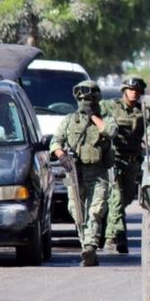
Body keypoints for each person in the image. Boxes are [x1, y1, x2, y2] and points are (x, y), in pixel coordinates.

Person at [50, 80, 117, 266]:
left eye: (88, 98)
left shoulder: (106, 118)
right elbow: (55, 141)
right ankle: (85, 248)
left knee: (95, 211)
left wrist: (93, 117)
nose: (84, 102)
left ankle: (90, 246)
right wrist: (61, 155)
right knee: (77, 211)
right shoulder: (70, 120)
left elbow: (111, 131)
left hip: (97, 173)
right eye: (81, 99)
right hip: (74, 173)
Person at [99, 76, 146, 254]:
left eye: (137, 90)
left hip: (133, 162)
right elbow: (93, 116)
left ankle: (114, 233)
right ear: (124, 91)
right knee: (116, 199)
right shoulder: (110, 107)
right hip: (114, 161)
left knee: (126, 199)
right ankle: (115, 238)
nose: (133, 92)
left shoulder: (143, 111)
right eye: (130, 89)